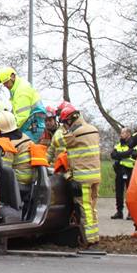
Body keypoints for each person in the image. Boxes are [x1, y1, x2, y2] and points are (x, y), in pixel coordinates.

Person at [59, 103, 101, 247]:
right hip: (95, 175)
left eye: (65, 122)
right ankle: (95, 236)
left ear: (70, 120)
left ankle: (89, 240)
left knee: (85, 208)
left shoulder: (74, 134)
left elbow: (61, 140)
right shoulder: (93, 129)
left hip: (83, 178)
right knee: (93, 206)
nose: (64, 125)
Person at [0, 67, 47, 142]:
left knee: (20, 145)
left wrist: (8, 129)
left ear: (13, 76)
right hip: (31, 126)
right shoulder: (18, 89)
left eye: (6, 82)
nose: (5, 85)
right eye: (4, 83)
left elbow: (22, 117)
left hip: (33, 128)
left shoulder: (21, 91)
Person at [0, 110, 33, 191]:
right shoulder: (24, 136)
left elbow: (5, 169)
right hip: (32, 178)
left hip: (19, 181)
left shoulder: (9, 144)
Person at [110, 127, 137, 219]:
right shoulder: (118, 145)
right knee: (119, 192)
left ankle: (131, 213)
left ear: (128, 134)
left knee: (130, 193)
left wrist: (120, 155)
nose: (121, 135)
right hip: (119, 171)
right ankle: (119, 212)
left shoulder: (133, 144)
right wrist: (125, 154)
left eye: (123, 133)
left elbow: (134, 154)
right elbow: (113, 155)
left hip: (129, 171)